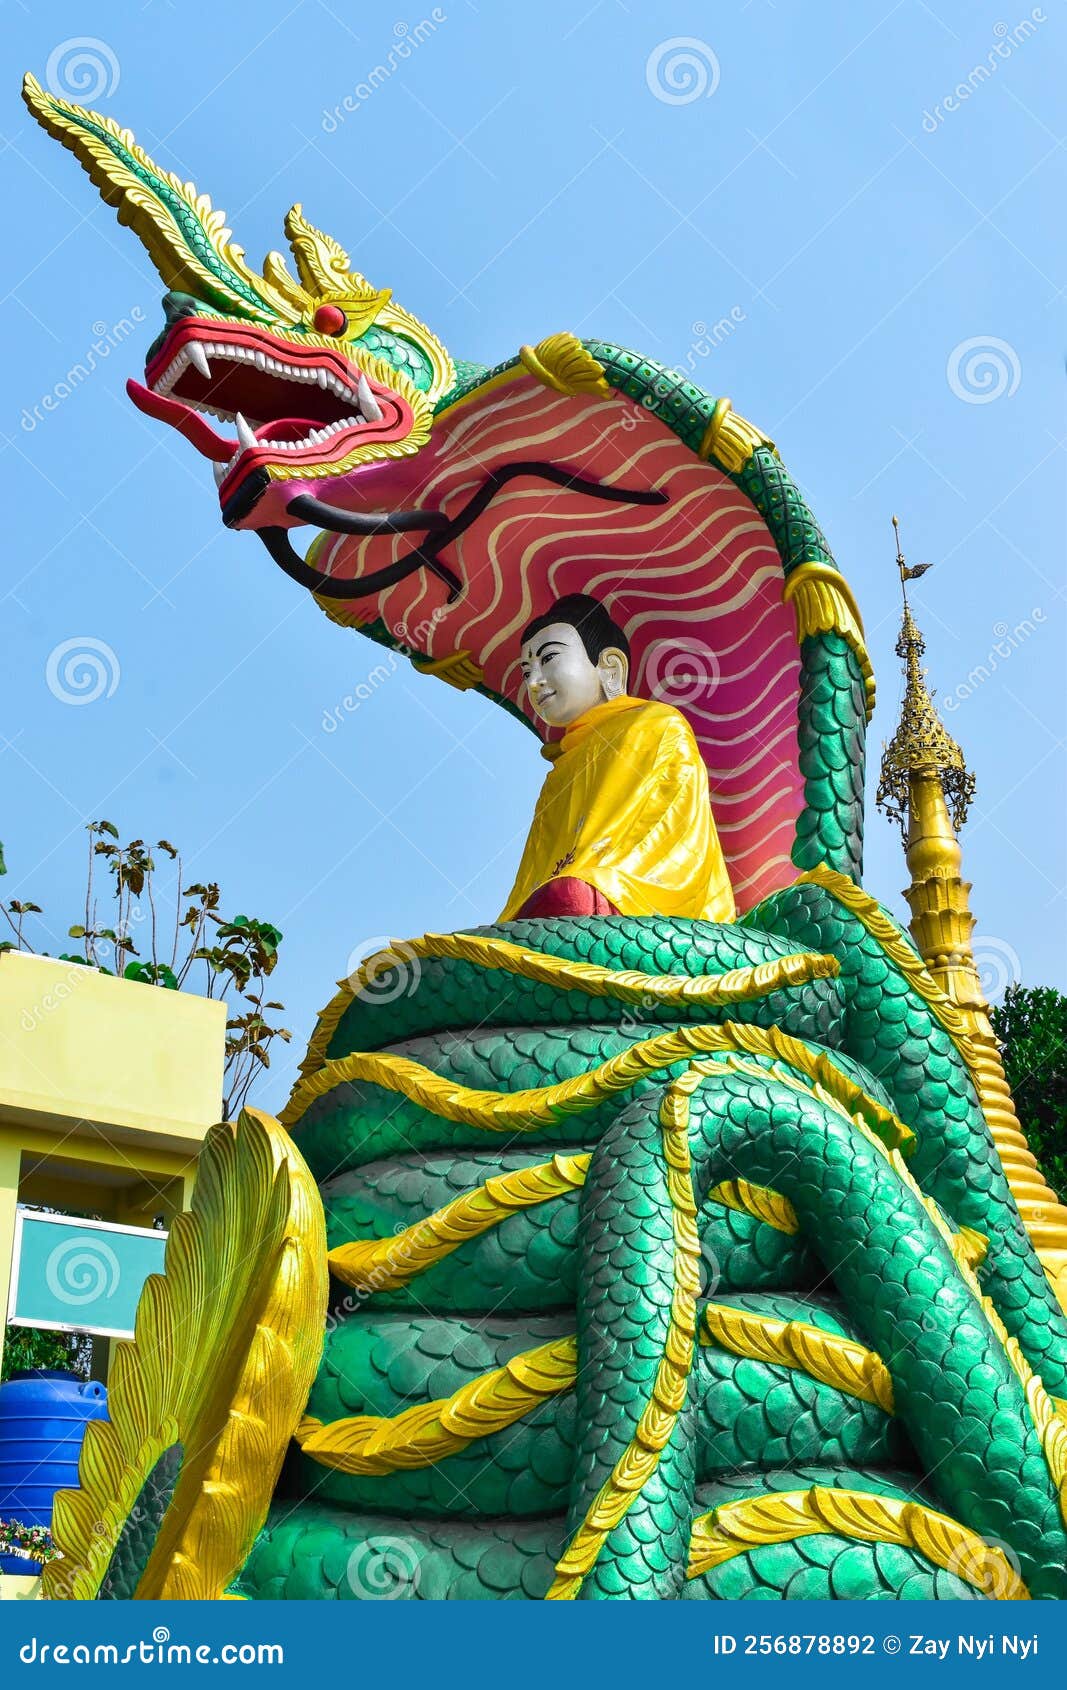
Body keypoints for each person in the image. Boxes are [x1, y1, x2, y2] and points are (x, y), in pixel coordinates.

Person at [499, 593, 735, 922]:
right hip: (564, 895)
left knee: (569, 896)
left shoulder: (655, 724)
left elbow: (664, 845)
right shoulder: (560, 773)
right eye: (526, 673)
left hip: (645, 894)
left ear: (608, 667)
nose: (534, 682)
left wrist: (587, 882)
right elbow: (532, 880)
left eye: (549, 658)